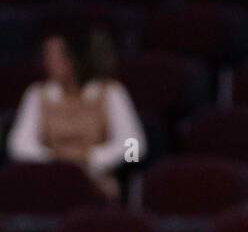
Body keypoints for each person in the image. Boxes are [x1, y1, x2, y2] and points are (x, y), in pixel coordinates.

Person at [6, 24, 147, 199]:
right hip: (50, 179)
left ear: (77, 57)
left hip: (98, 179)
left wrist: (93, 159)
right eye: (48, 55)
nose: (50, 61)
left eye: (59, 55)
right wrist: (59, 162)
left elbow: (134, 146)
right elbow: (18, 146)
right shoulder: (37, 94)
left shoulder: (111, 92)